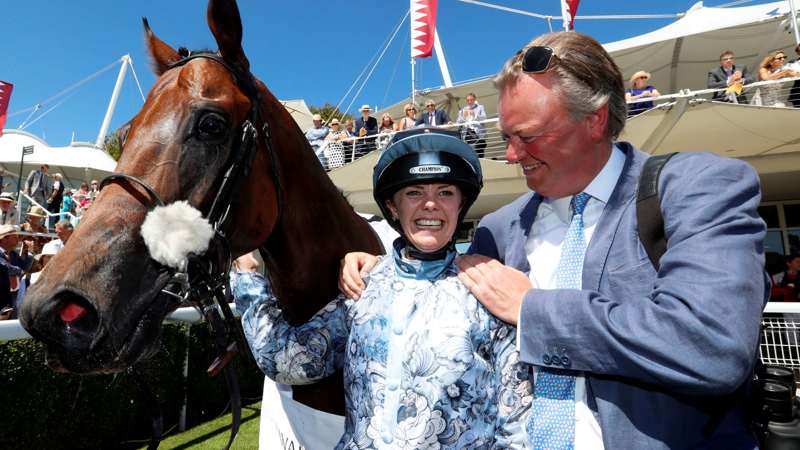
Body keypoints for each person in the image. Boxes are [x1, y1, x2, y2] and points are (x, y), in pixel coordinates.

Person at [341, 32, 769, 449]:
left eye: (527, 136)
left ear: (594, 120)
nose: (510, 154)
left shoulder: (696, 187)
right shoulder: (498, 228)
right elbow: (440, 319)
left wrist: (533, 310)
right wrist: (383, 267)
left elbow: (712, 347)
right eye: (507, 136)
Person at [232, 129, 532, 449]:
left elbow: (518, 427)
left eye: (446, 192)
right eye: (414, 193)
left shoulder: (487, 290)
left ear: (461, 205)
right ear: (392, 206)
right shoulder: (364, 288)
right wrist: (247, 276)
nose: (431, 204)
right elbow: (289, 361)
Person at [456, 93, 488, 157]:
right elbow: (458, 122)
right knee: (470, 152)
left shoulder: (480, 107)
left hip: (477, 133)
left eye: (471, 100)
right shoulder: (463, 109)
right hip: (467, 133)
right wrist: (463, 117)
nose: (469, 102)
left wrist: (475, 115)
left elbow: (484, 117)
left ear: (474, 100)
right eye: (468, 100)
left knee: (479, 152)